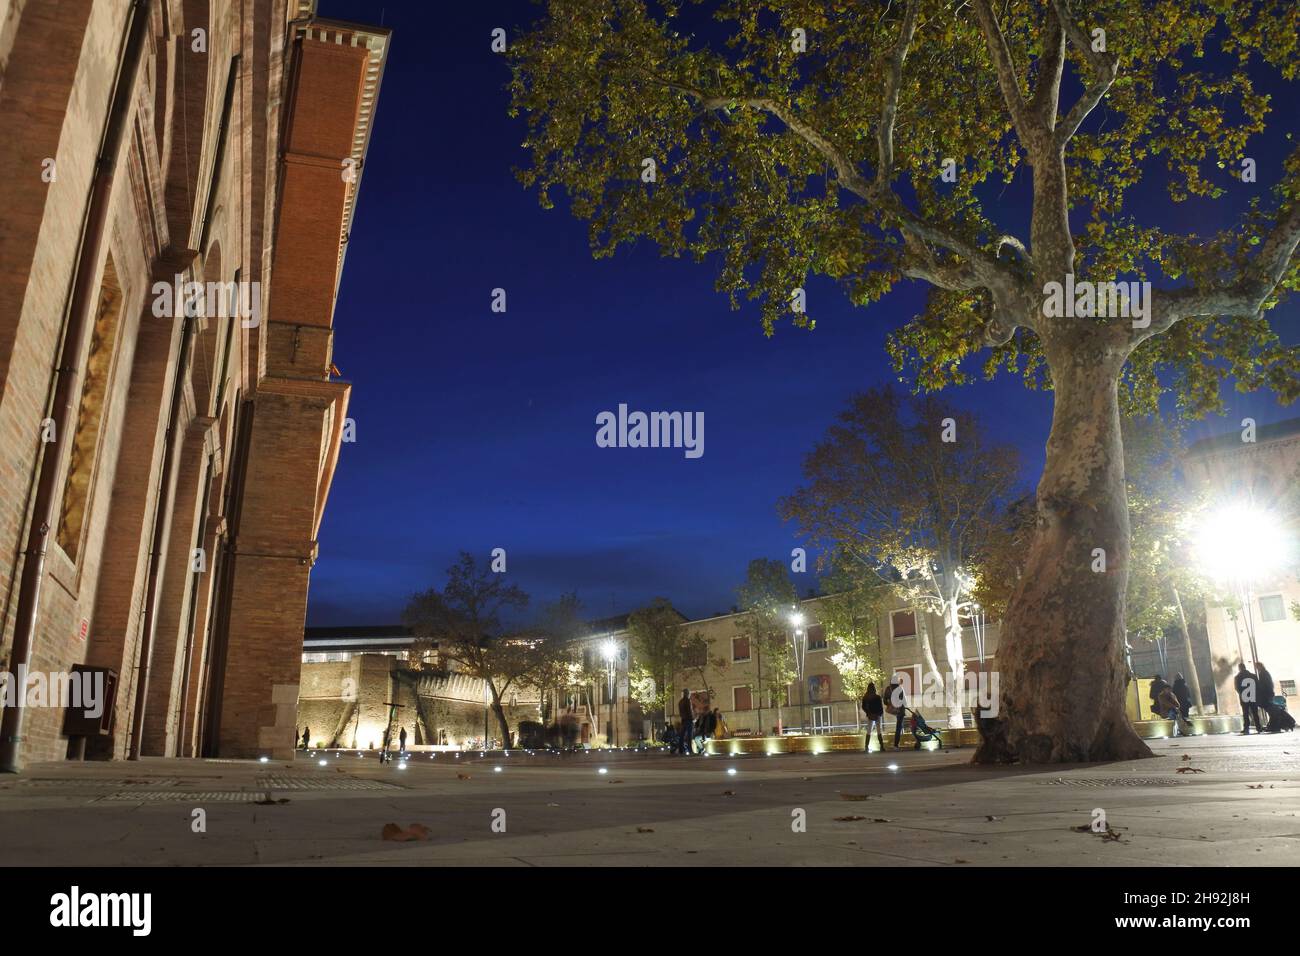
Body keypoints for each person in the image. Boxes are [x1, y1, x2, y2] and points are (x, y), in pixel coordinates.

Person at [1235, 662, 1262, 735]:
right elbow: (1258, 686)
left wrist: (1242, 694)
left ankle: (1246, 728)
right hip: (1253, 696)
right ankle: (1258, 727)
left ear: (1240, 668)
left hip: (1244, 697)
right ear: (1245, 667)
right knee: (1255, 712)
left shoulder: (1238, 677)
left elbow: (1237, 688)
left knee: (1245, 713)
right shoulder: (1253, 676)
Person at [1256, 662, 1281, 733]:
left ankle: (1274, 726)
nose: (1257, 668)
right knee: (1270, 711)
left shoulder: (1263, 674)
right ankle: (1273, 726)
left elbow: (1264, 685)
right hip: (1269, 694)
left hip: (1266, 695)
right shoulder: (1265, 673)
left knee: (1270, 711)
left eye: (1257, 667)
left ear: (1260, 666)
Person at [883, 676, 907, 749]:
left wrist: (890, 705)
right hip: (900, 710)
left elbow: (884, 700)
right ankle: (896, 745)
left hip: (895, 710)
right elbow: (904, 702)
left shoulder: (888, 689)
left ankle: (896, 745)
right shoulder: (900, 688)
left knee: (899, 727)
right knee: (899, 727)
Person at [861, 682, 885, 753]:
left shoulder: (866, 697)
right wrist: (879, 714)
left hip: (871, 715)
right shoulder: (877, 697)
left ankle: (866, 747)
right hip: (877, 715)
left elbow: (864, 707)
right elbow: (880, 707)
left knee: (869, 731)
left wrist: (868, 713)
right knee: (879, 730)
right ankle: (881, 746)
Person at [677, 688, 694, 755]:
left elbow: (680, 712)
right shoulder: (687, 700)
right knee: (689, 735)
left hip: (683, 720)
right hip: (689, 719)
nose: (689, 694)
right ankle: (690, 750)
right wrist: (692, 718)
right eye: (689, 693)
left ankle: (681, 750)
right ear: (687, 693)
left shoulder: (680, 702)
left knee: (682, 735)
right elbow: (689, 711)